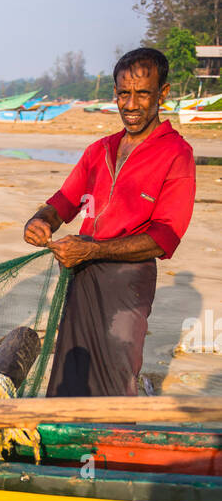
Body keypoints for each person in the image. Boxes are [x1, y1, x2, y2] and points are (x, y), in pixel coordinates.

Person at [24, 48, 195, 396]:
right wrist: (41, 220)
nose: (130, 105)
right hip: (79, 274)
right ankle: (69, 443)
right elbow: (64, 202)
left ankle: (108, 444)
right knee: (72, 369)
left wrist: (92, 249)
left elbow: (163, 237)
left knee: (117, 372)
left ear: (163, 93)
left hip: (127, 281)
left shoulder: (177, 154)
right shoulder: (98, 150)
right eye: (123, 94)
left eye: (142, 94)